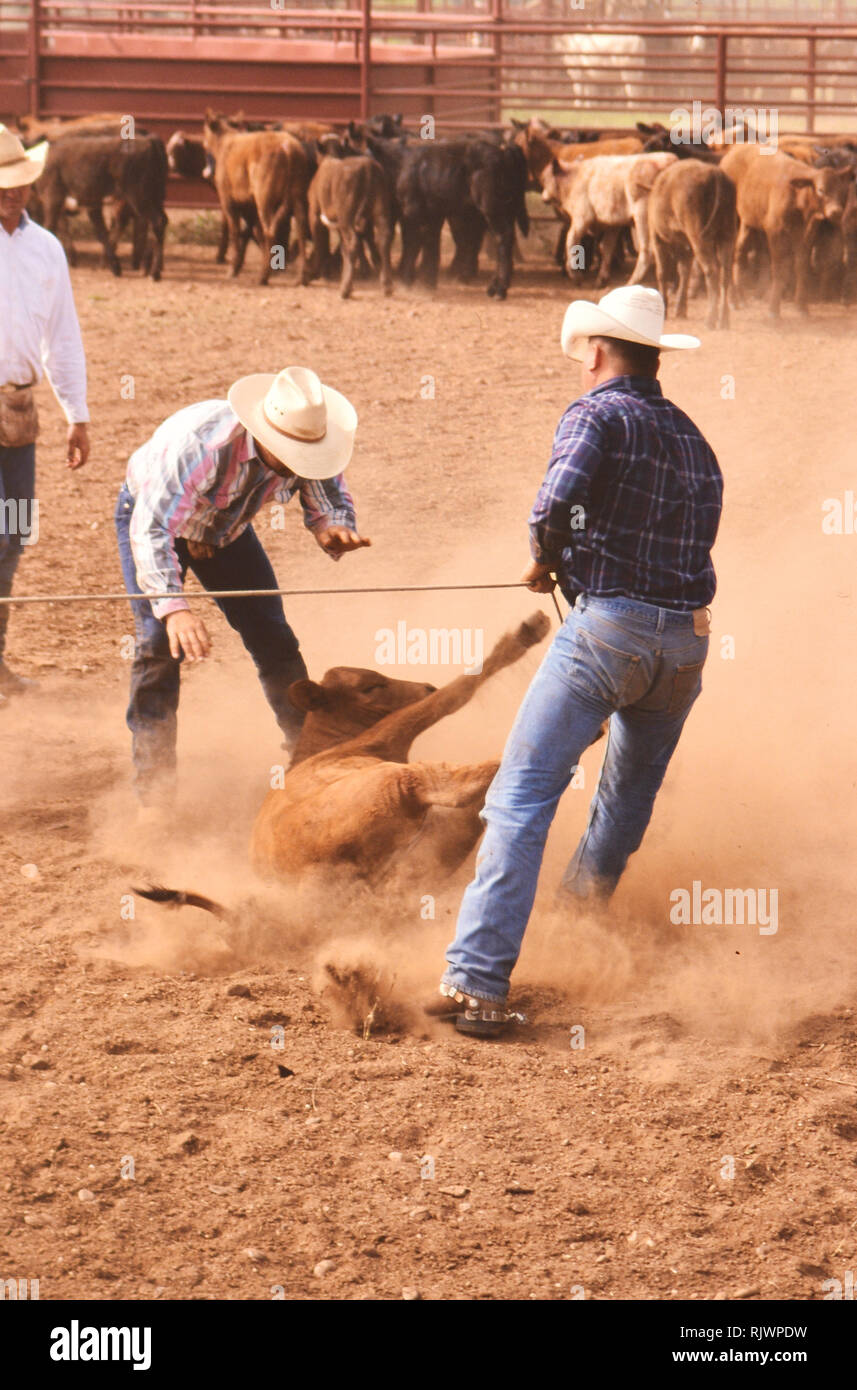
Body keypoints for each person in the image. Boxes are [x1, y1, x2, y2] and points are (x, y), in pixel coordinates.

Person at [428, 286, 724, 1038]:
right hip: (685, 641)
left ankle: (477, 982)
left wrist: (545, 556)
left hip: (606, 632)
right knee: (623, 798)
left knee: (521, 795)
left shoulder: (595, 413)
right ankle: (577, 919)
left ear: (595, 350)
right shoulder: (692, 438)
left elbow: (554, 500)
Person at [115, 364, 369, 810]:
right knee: (158, 645)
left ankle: (307, 758)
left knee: (273, 636)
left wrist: (331, 526)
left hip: (226, 530)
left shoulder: (308, 439)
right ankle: (153, 797)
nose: (302, 462)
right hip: (154, 522)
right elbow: (151, 529)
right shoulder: (200, 449)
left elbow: (324, 484)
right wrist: (175, 608)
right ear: (266, 437)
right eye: (293, 453)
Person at [0, 125, 90, 705]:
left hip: (18, 413)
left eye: (21, 185)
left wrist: (77, 413)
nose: (14, 195)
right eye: (4, 186)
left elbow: (64, 335)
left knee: (13, 532)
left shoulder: (47, 247)